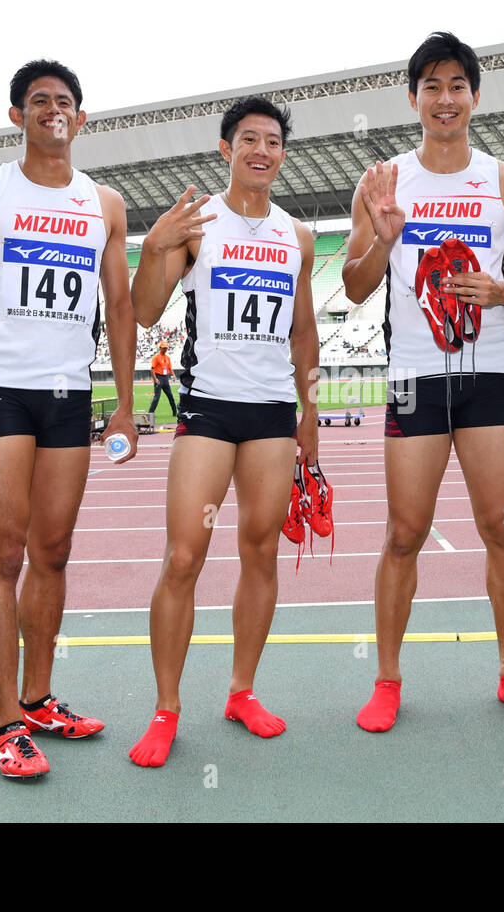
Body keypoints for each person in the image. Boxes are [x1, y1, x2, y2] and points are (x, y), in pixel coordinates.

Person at [0, 59, 139, 779]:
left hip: (70, 392)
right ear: (17, 116)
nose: (52, 109)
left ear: (81, 116)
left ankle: (39, 698)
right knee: (4, 553)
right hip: (4, 387)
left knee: (54, 552)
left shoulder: (104, 202)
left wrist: (127, 403)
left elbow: (122, 306)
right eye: (38, 100)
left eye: (63, 100)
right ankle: (5, 722)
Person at [341, 32, 504, 732]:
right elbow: (353, 285)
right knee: (405, 532)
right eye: (431, 86)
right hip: (415, 378)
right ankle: (387, 679)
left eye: (457, 85)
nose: (445, 98)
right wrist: (382, 234)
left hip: (489, 372)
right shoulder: (383, 181)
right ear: (412, 98)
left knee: (502, 527)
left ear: (475, 96)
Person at [127, 96, 319, 767]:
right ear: (225, 149)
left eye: (271, 141)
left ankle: (242, 692)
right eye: (248, 140)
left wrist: (311, 415)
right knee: (184, 557)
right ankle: (166, 708)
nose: (260, 150)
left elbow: (302, 331)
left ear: (282, 154)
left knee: (261, 552)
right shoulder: (198, 223)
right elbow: (146, 308)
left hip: (271, 414)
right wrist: (156, 244)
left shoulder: (297, 237)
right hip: (208, 408)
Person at [148, 340, 176, 417]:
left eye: (166, 348)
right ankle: (150, 413)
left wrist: (173, 375)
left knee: (170, 396)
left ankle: (175, 413)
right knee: (157, 397)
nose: (165, 349)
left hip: (165, 378)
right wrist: (155, 379)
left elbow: (170, 368)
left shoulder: (167, 358)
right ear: (160, 348)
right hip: (158, 378)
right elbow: (152, 369)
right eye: (163, 348)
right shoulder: (156, 357)